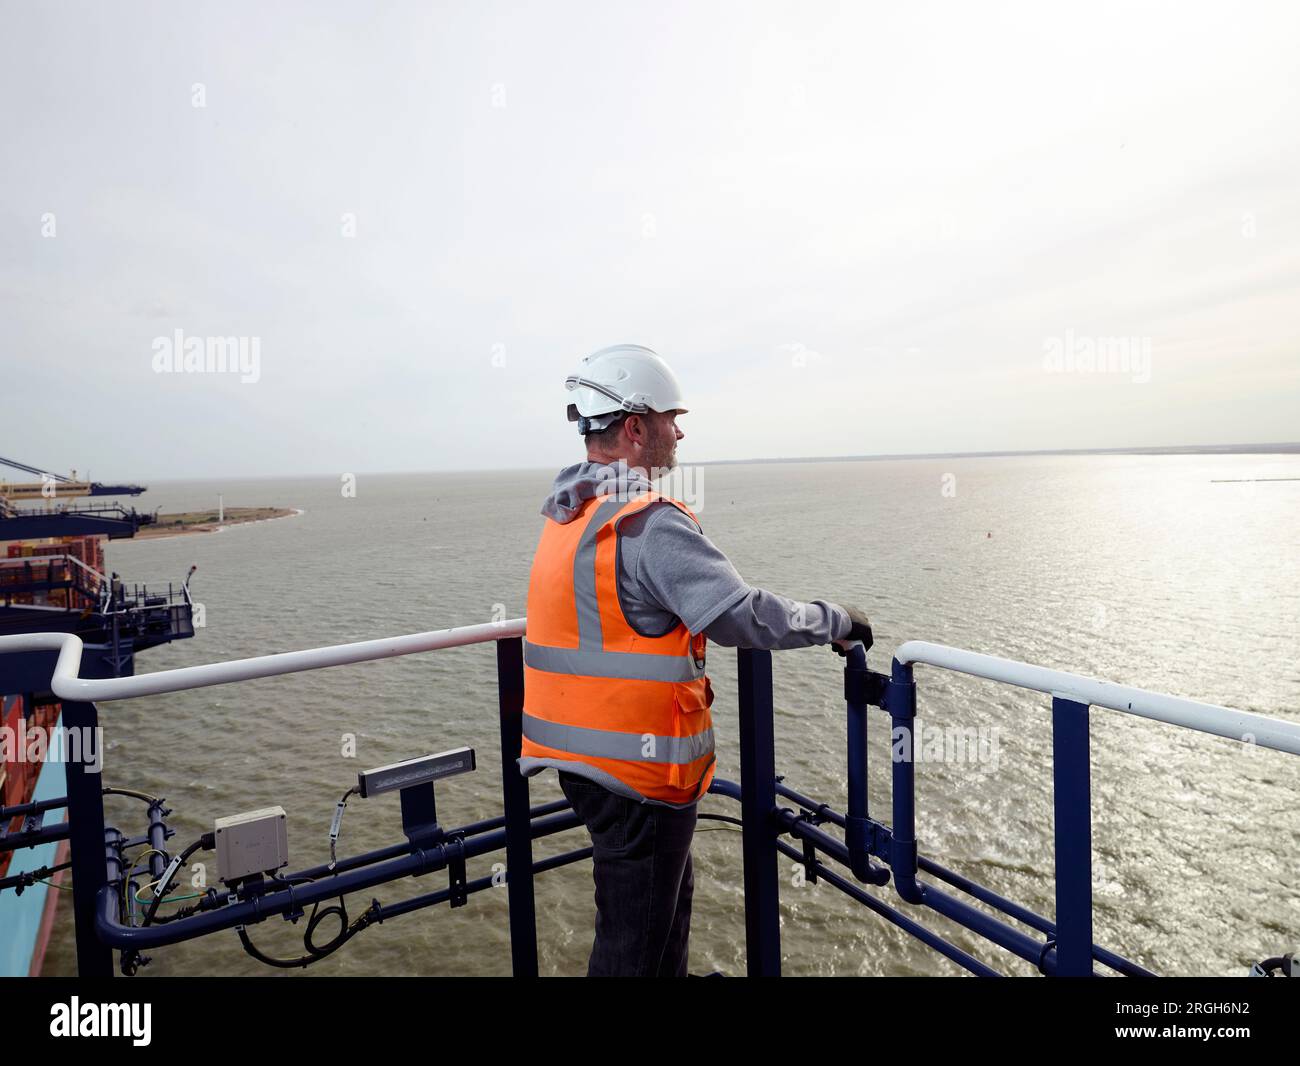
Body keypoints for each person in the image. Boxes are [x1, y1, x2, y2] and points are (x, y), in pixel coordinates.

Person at [519, 344, 874, 977]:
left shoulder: (570, 513)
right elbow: (744, 616)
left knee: (658, 918)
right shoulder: (648, 525)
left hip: (580, 761)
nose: (679, 431)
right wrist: (836, 621)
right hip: (637, 771)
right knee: (634, 945)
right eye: (669, 418)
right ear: (634, 428)